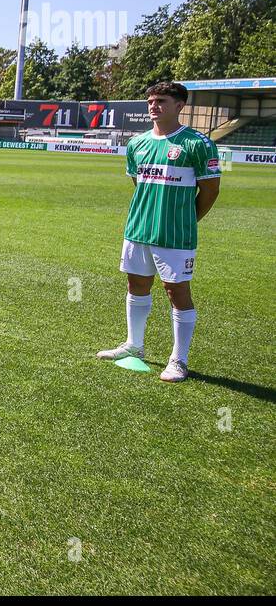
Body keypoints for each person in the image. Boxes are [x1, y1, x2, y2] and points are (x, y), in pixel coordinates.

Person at [97, 81, 221, 382]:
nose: (154, 105)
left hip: (176, 234)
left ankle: (178, 360)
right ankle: (133, 346)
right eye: (151, 101)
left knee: (176, 291)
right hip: (138, 228)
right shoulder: (137, 144)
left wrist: (187, 220)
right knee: (136, 285)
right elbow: (139, 184)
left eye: (161, 101)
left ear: (179, 106)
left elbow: (210, 190)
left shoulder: (197, 143)